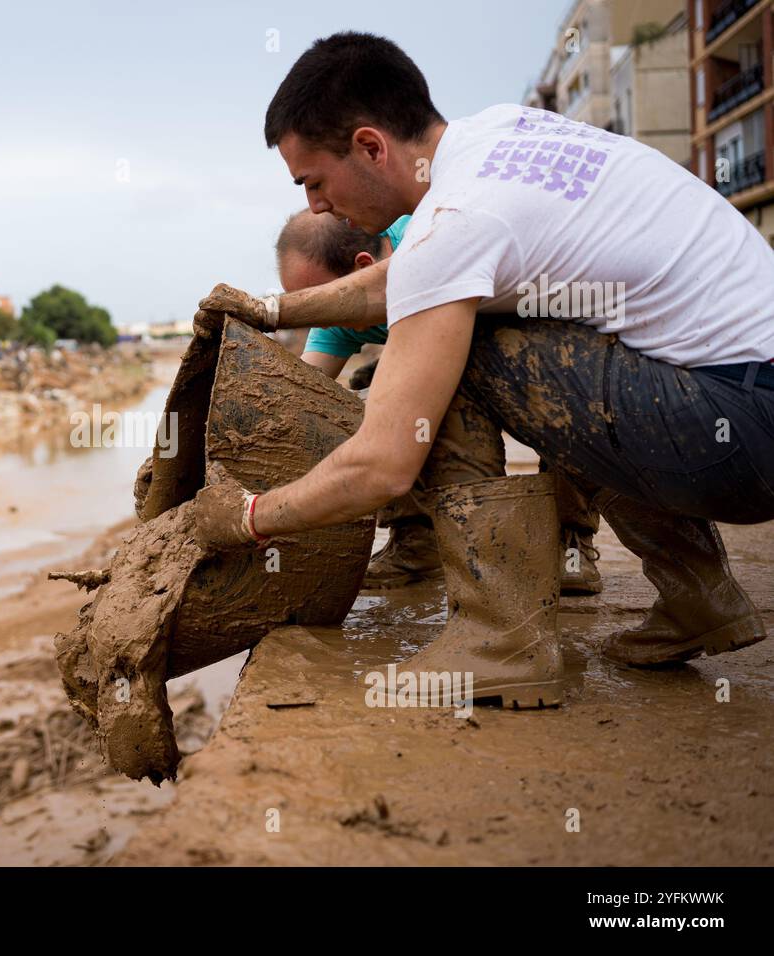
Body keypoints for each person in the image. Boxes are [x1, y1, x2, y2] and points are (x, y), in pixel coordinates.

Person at [192, 32, 774, 708]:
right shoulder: (500, 136)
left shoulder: (456, 217)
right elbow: (408, 275)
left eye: (314, 183)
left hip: (742, 429)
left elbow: (383, 465)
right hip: (740, 396)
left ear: (372, 146)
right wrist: (273, 309)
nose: (318, 208)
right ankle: (697, 596)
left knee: (460, 350)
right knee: (510, 327)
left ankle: (504, 637)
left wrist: (247, 518)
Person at [276, 208, 602, 593]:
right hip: (445, 354)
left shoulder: (433, 238)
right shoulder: (337, 321)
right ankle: (416, 544)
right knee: (384, 397)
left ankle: (571, 541)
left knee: (564, 398)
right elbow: (299, 398)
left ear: (362, 268)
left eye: (319, 302)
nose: (319, 318)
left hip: (544, 335)